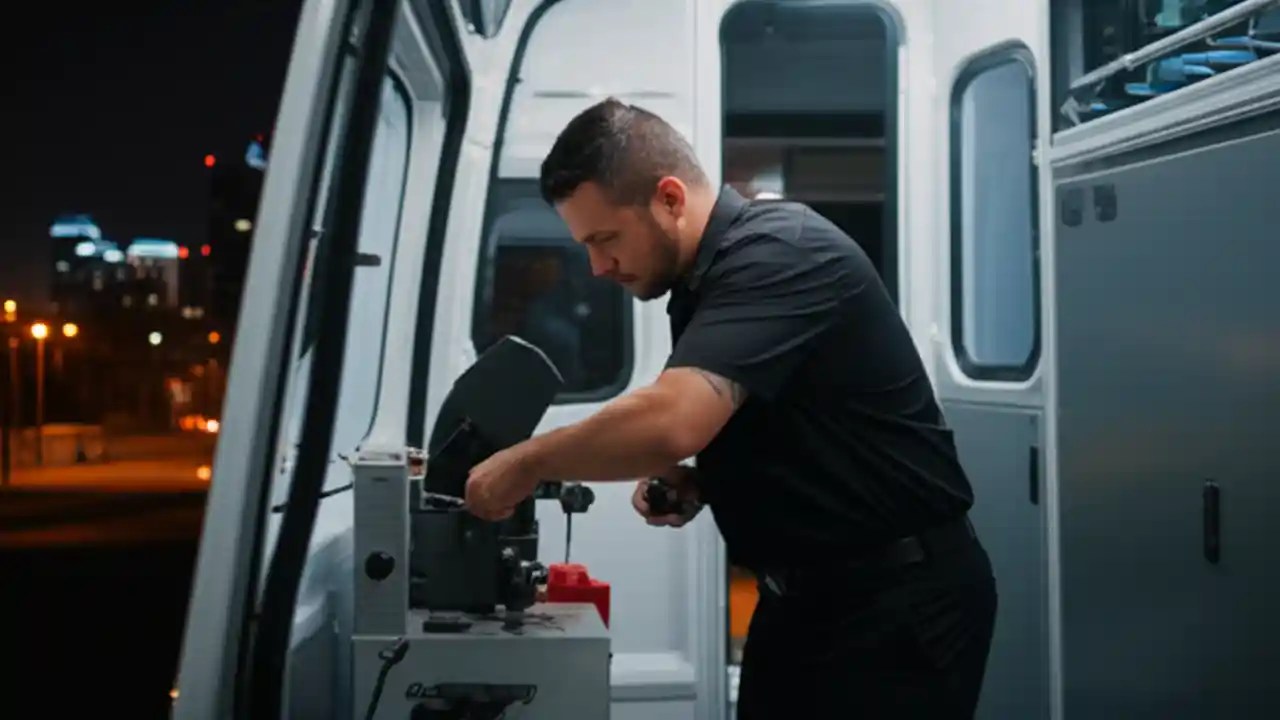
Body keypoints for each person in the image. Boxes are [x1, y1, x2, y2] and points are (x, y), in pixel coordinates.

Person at [464, 97, 998, 718]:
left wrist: (528, 462)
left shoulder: (780, 252)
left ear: (669, 198)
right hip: (805, 602)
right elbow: (791, 421)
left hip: (897, 604)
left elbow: (673, 420)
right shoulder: (703, 282)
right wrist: (710, 480)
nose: (598, 266)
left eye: (605, 239)